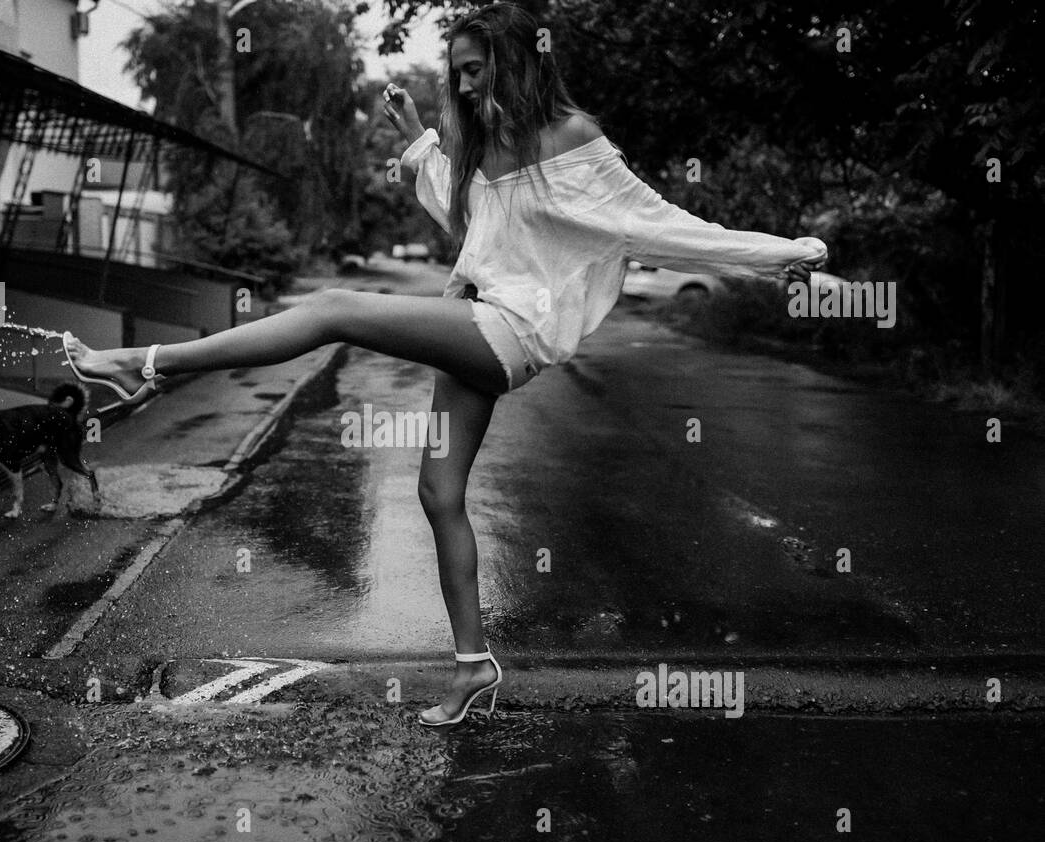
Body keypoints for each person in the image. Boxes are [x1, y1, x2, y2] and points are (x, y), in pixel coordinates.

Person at [61, 2, 828, 728]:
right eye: (456, 71)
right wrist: (421, 134)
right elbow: (474, 223)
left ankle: (147, 365)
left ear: (520, 61)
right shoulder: (489, 142)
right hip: (475, 315)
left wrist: (780, 257)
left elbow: (659, 225)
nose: (464, 85)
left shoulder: (572, 137)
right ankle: (473, 668)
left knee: (332, 308)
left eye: (474, 69)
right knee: (438, 491)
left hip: (509, 330)